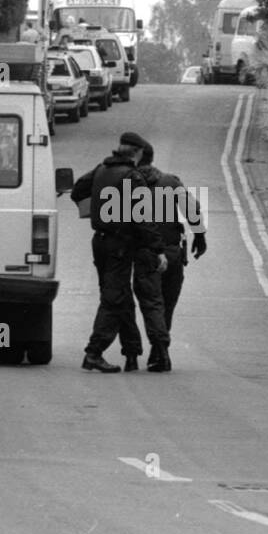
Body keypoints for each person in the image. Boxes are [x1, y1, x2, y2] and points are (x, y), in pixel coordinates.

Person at [71, 132, 170, 373]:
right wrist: (158, 250)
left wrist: (98, 209)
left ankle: (127, 353)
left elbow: (77, 191)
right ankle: (93, 353)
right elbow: (144, 219)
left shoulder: (101, 169)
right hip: (119, 245)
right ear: (137, 154)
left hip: (100, 242)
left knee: (116, 295)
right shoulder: (132, 177)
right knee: (114, 299)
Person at [134, 145, 207, 340]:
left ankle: (158, 347)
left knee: (151, 304)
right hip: (173, 252)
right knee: (168, 302)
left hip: (144, 254)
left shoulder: (128, 184)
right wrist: (200, 236)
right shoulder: (170, 182)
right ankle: (162, 345)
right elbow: (192, 209)